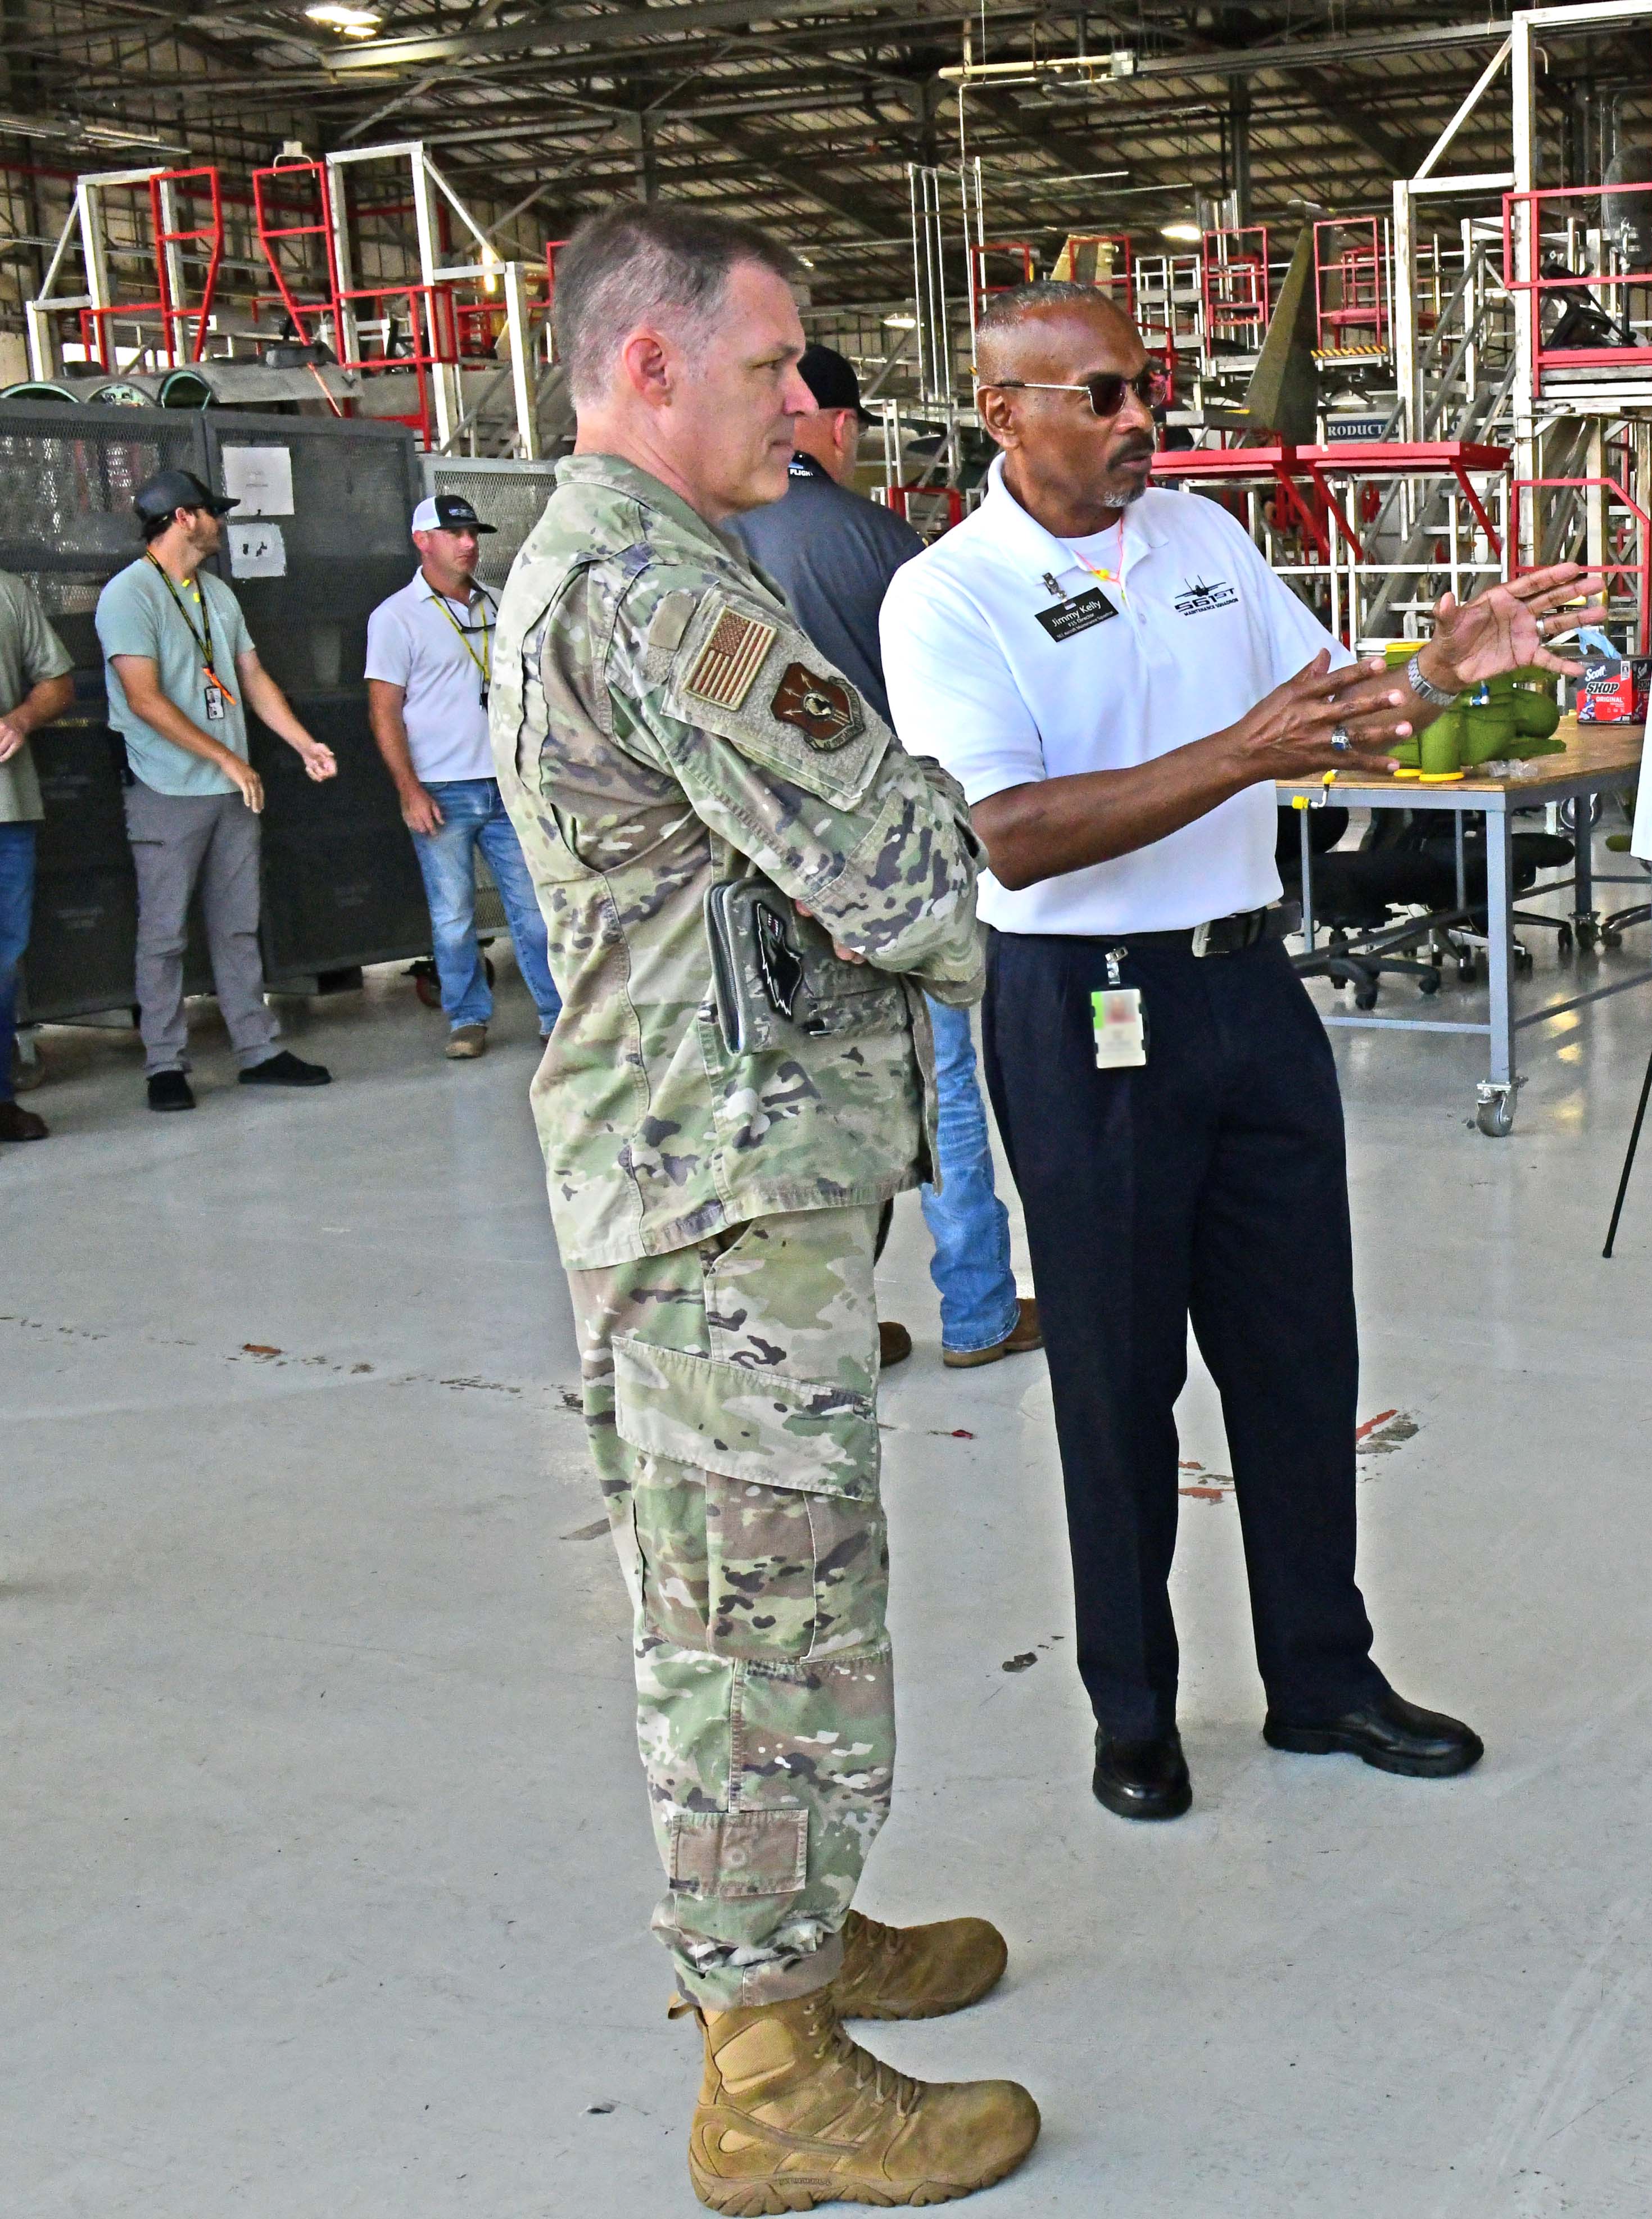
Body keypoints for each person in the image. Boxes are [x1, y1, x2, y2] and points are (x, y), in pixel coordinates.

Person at [878, 279, 1595, 1823]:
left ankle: (1322, 1677)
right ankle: (1130, 1708)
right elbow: (1005, 837)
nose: (1145, 421)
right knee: (1119, 1383)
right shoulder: (949, 597)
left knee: (1296, 1358)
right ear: (1006, 412)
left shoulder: (1202, 542)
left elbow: (1330, 711)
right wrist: (1241, 754)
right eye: (1107, 396)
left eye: (1153, 392)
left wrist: (1436, 675)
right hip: (1082, 1011)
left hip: (1246, 997)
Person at [493, 200, 1035, 2213]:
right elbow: (900, 865)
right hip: (713, 1188)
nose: (799, 400)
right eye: (767, 363)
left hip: (717, 1166)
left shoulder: (635, 565)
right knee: (751, 1615)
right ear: (648, 367)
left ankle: (800, 1933)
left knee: (779, 1587)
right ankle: (770, 2065)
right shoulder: (655, 598)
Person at [731, 342, 1038, 1372]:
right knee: (945, 1087)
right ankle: (982, 1309)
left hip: (765, 884)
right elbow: (944, 712)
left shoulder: (712, 536)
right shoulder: (877, 541)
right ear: (841, 425)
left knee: (809, 1106)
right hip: (893, 874)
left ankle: (838, 1325)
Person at [96, 468, 338, 1109]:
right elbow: (144, 700)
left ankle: (257, 1050)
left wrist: (302, 742)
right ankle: (164, 1065)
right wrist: (228, 760)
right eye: (212, 512)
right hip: (166, 789)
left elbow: (253, 678)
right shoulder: (129, 596)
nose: (221, 522)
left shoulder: (217, 595)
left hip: (233, 791)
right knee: (165, 932)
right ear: (182, 518)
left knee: (237, 926)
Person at [367, 491, 562, 1059]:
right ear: (422, 541)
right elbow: (384, 710)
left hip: (507, 782)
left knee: (532, 911)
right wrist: (410, 789)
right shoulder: (396, 617)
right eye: (454, 535)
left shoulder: (500, 606)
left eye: (474, 534)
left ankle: (556, 1016)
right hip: (441, 788)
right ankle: (468, 1018)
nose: (469, 544)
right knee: (453, 915)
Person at [0, 567, 78, 1142]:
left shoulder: (8, 592)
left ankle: (0, 1098)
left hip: (8, 809)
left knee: (3, 958)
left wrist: (22, 719)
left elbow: (57, 681)